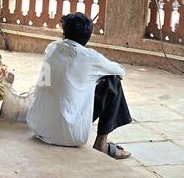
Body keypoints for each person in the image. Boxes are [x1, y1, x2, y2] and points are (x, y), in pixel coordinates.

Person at [26, 12, 132, 158]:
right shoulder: (90, 57)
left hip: (38, 126)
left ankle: (101, 143)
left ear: (64, 32)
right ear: (88, 36)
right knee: (112, 81)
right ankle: (102, 144)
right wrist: (97, 73)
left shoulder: (52, 48)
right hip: (68, 134)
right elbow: (121, 72)